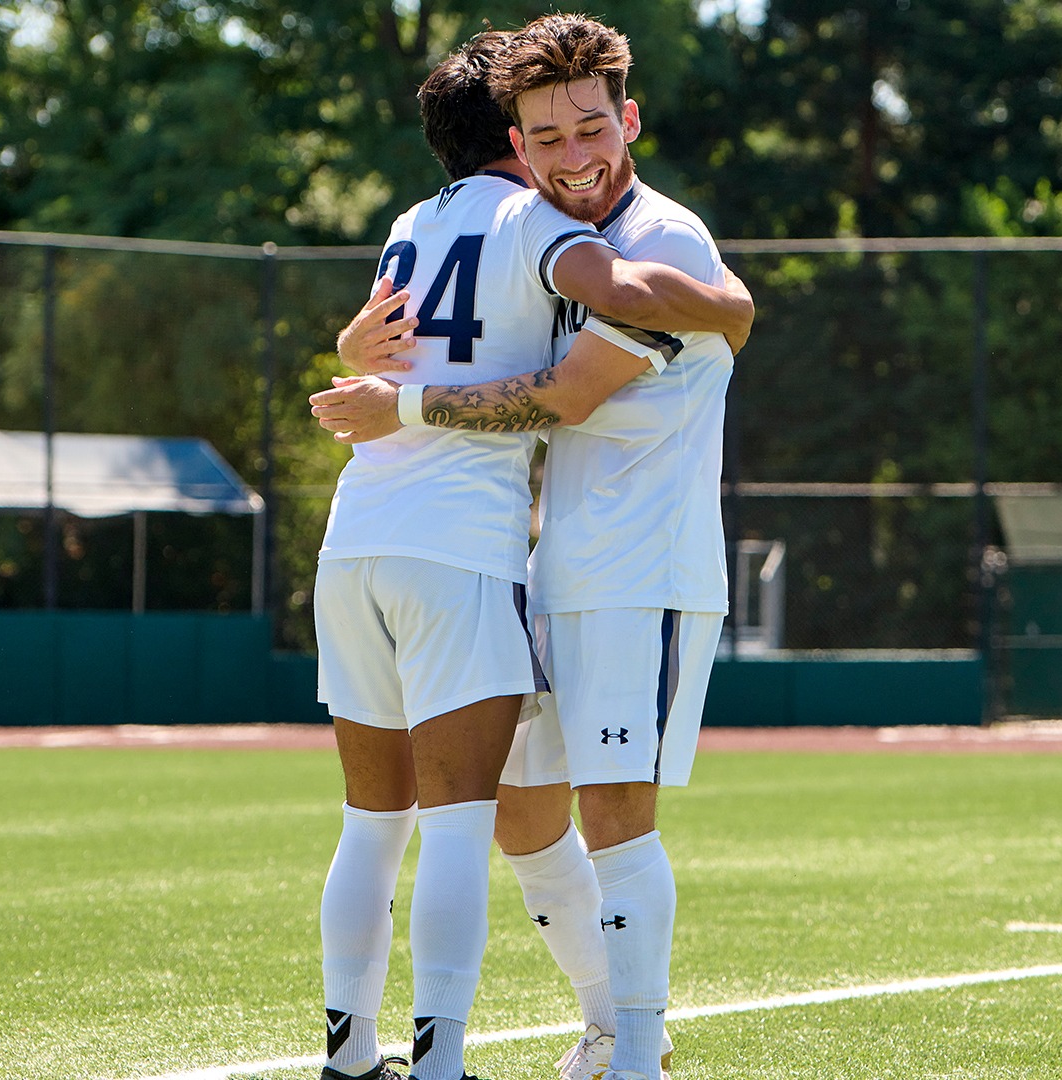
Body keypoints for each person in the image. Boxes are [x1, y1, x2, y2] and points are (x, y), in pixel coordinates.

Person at [310, 31, 752, 1080]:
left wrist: (734, 304)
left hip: (635, 572)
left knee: (608, 823)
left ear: (630, 122)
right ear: (515, 141)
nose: (572, 154)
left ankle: (634, 1054)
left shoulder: (659, 234)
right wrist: (354, 353)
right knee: (509, 816)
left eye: (592, 127)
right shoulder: (539, 224)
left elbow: (563, 394)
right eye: (548, 136)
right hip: (530, 567)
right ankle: (604, 1019)